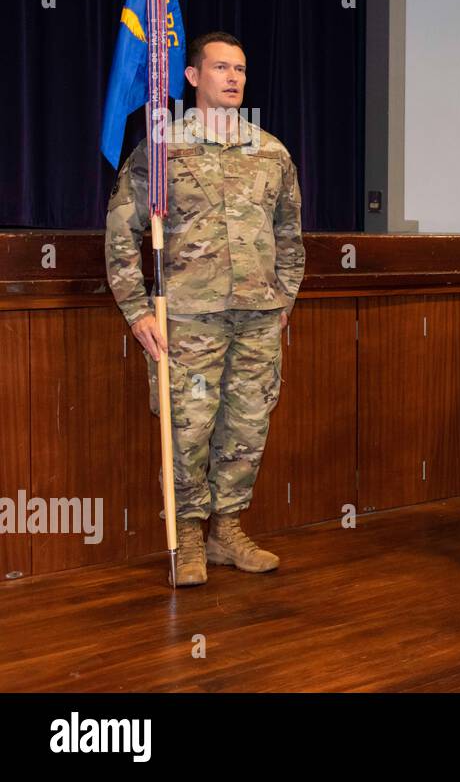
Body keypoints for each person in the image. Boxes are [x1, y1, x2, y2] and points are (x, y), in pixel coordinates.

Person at [105, 31, 305, 586]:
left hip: (258, 319)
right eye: (221, 68)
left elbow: (290, 236)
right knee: (189, 425)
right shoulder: (163, 147)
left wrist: (283, 298)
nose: (234, 78)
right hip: (188, 320)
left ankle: (228, 530)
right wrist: (136, 309)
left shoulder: (271, 152)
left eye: (240, 69)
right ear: (192, 77)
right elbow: (123, 230)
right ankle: (188, 534)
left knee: (247, 425)